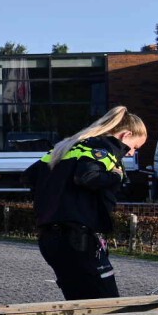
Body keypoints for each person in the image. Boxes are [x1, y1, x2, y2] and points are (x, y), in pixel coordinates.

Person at [27, 106, 148, 299]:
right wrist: (116, 177)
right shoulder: (106, 149)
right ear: (126, 135)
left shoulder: (67, 146)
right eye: (134, 147)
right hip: (79, 239)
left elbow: (30, 177)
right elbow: (87, 176)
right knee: (106, 303)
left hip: (49, 239)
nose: (131, 154)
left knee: (77, 302)